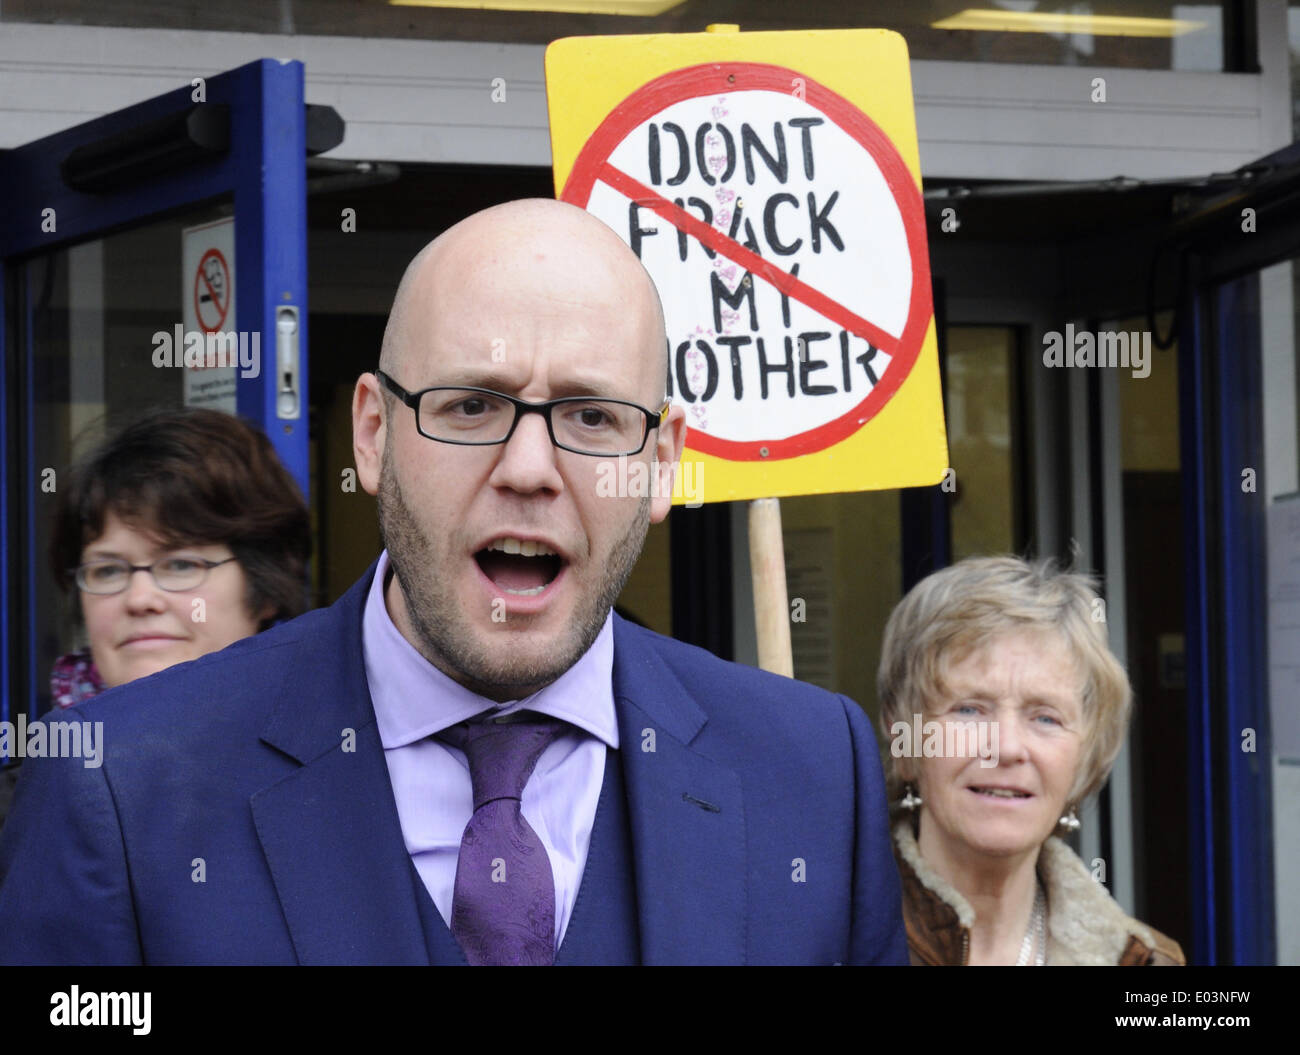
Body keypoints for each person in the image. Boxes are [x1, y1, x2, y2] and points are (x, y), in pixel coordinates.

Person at [0, 199, 907, 966]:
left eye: (592, 417)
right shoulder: (121, 785)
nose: (529, 467)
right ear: (372, 433)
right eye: (472, 405)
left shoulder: (814, 773)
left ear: (662, 461)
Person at [0, 407, 310, 829]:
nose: (140, 598)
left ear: (263, 589)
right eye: (108, 570)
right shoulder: (20, 809)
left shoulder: (336, 783)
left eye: (181, 565)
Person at [877, 555, 1185, 965]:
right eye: (969, 710)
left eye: (1045, 717)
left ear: (1084, 758)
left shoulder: (1143, 961)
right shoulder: (830, 943)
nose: (1006, 748)